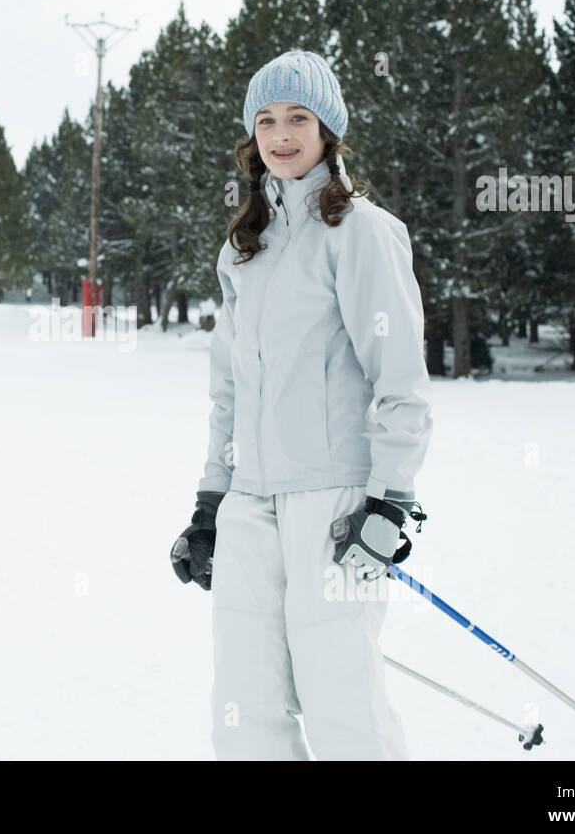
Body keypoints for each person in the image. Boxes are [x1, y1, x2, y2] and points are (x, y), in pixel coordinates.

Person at [170, 50, 433, 761]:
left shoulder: (362, 232)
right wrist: (208, 503)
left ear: (328, 130)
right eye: (266, 120)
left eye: (298, 118)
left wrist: (391, 500)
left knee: (342, 700)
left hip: (334, 500)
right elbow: (227, 391)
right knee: (245, 708)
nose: (281, 134)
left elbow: (401, 379)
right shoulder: (243, 248)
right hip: (251, 501)